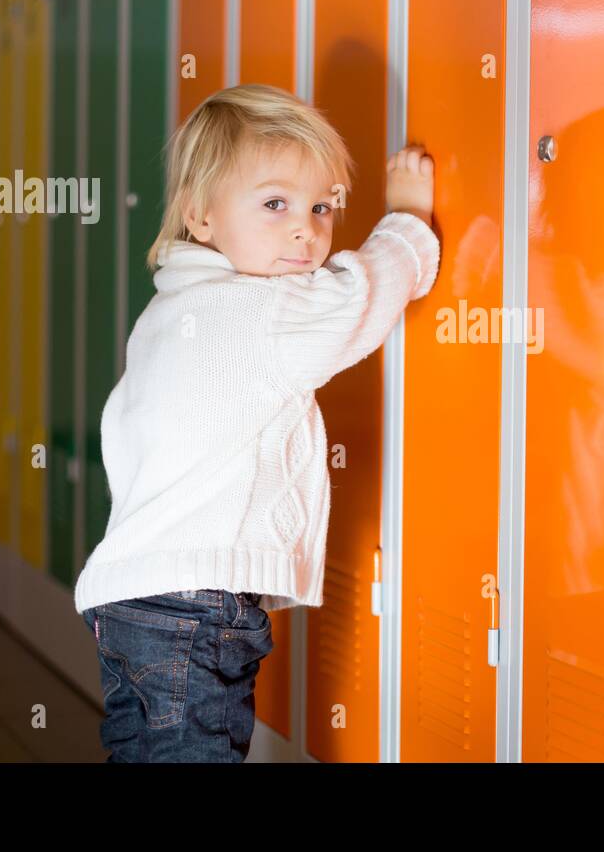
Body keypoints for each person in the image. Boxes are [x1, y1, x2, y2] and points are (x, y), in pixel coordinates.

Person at [73, 83, 440, 761]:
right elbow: (361, 295)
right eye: (275, 204)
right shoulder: (259, 312)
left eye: (321, 206)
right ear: (201, 218)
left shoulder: (171, 309)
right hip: (190, 608)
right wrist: (409, 223)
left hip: (137, 604)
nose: (307, 228)